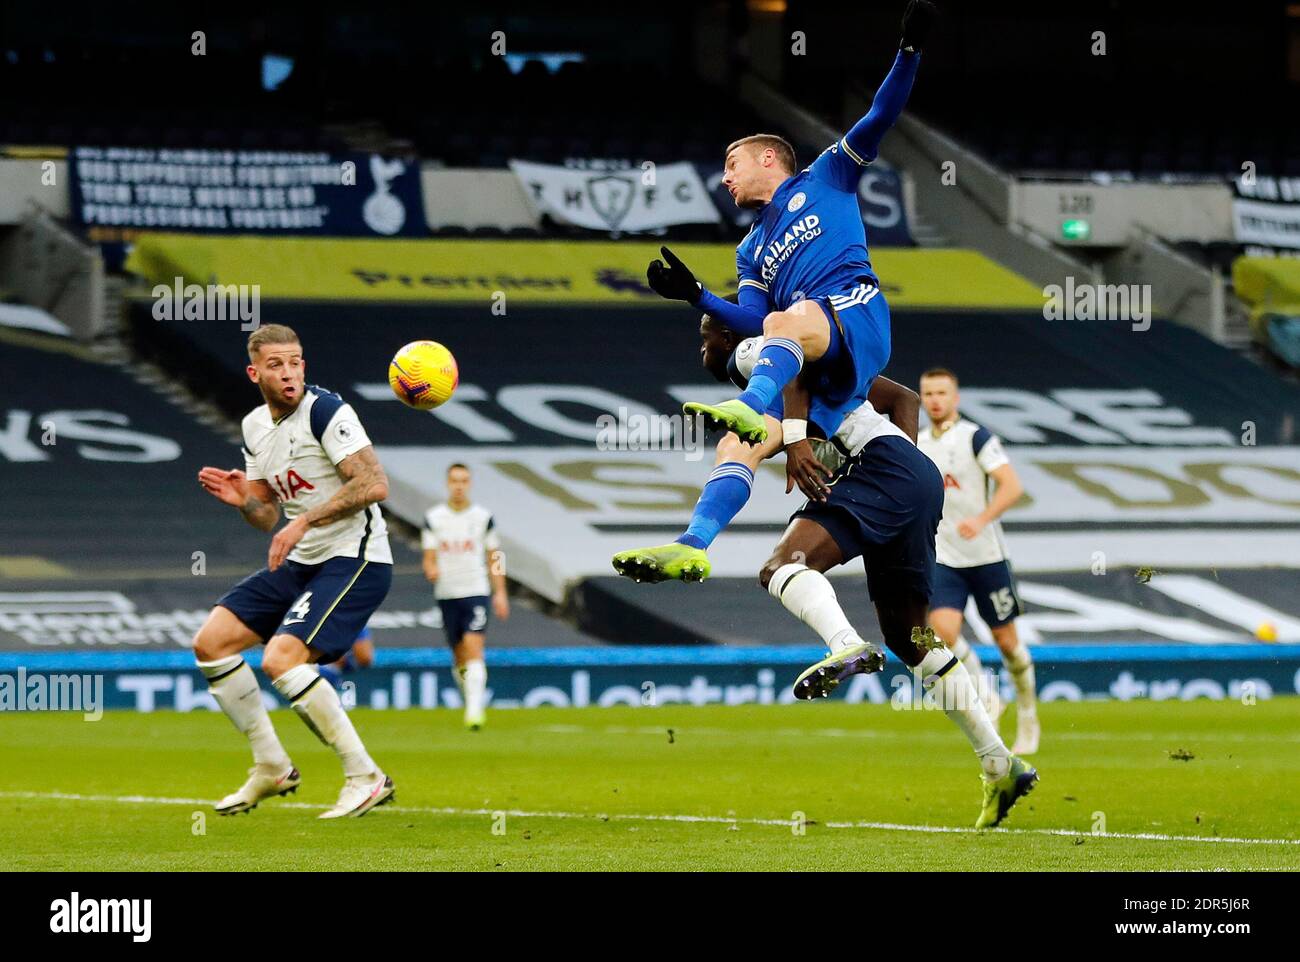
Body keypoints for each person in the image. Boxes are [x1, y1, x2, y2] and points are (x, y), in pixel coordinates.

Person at [622, 0, 938, 580]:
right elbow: (748, 322)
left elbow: (880, 114)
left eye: (731, 164)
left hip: (856, 313)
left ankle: (747, 404)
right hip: (814, 361)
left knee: (784, 325)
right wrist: (695, 294)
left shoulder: (826, 176)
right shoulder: (750, 249)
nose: (725, 177)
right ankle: (694, 543)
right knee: (735, 446)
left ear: (769, 158)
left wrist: (909, 52)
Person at [764, 368, 1039, 829]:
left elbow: (901, 397)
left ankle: (846, 643)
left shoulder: (792, 356)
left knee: (781, 566)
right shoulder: (789, 371)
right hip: (934, 535)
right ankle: (999, 762)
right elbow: (903, 398)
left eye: (708, 337)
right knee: (913, 637)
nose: (703, 347)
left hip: (981, 549)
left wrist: (699, 533)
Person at [193, 323, 395, 818]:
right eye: (277, 364)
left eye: (296, 361)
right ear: (254, 372)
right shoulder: (254, 427)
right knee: (211, 643)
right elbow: (265, 515)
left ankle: (365, 776)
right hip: (302, 560)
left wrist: (301, 520)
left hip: (355, 556)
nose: (289, 373)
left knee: (282, 660)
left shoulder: (326, 410)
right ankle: (271, 766)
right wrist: (244, 500)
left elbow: (373, 483)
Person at [917, 367, 1039, 755]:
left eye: (941, 392)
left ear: (955, 398)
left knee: (1007, 643)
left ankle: (1028, 712)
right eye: (928, 393)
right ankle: (988, 696)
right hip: (944, 556)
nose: (935, 399)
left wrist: (982, 519)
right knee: (942, 634)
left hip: (986, 555)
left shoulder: (976, 437)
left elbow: (1012, 486)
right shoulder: (916, 443)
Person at [422, 463, 509, 730]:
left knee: (473, 649)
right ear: (447, 484)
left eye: (464, 481)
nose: (459, 486)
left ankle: (474, 711)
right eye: (454, 481)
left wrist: (501, 592)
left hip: (476, 590)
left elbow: (495, 556)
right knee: (459, 656)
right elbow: (428, 557)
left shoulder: (483, 517)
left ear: (469, 484)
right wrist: (431, 569)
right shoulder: (434, 517)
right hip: (447, 593)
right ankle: (470, 699)